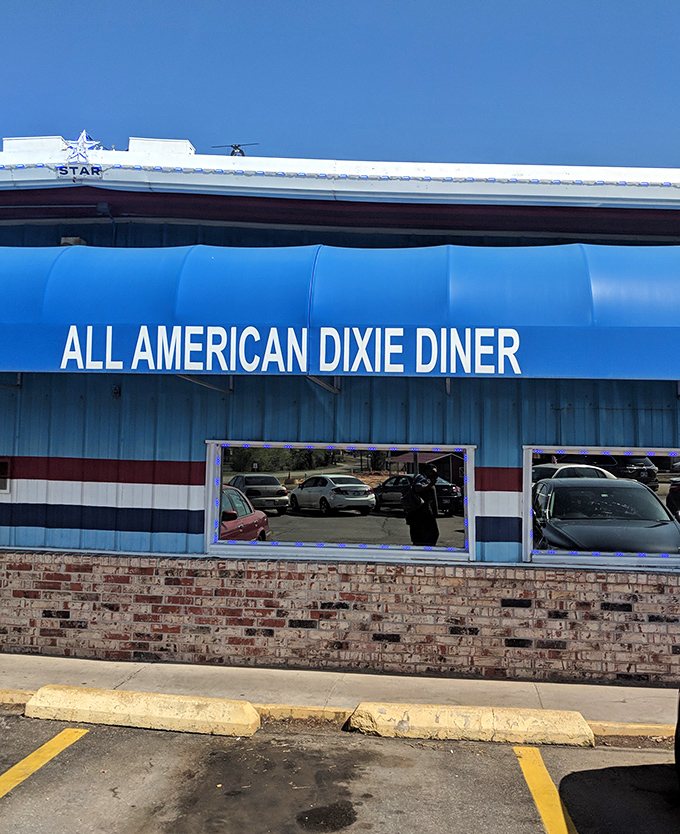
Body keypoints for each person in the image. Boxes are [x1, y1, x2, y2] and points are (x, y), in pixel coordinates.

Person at [403, 464, 439, 546]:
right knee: (424, 536)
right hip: (419, 513)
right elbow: (418, 488)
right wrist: (430, 484)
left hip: (426, 513)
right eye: (432, 472)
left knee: (432, 535)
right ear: (426, 471)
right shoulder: (422, 478)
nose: (434, 474)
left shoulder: (428, 480)